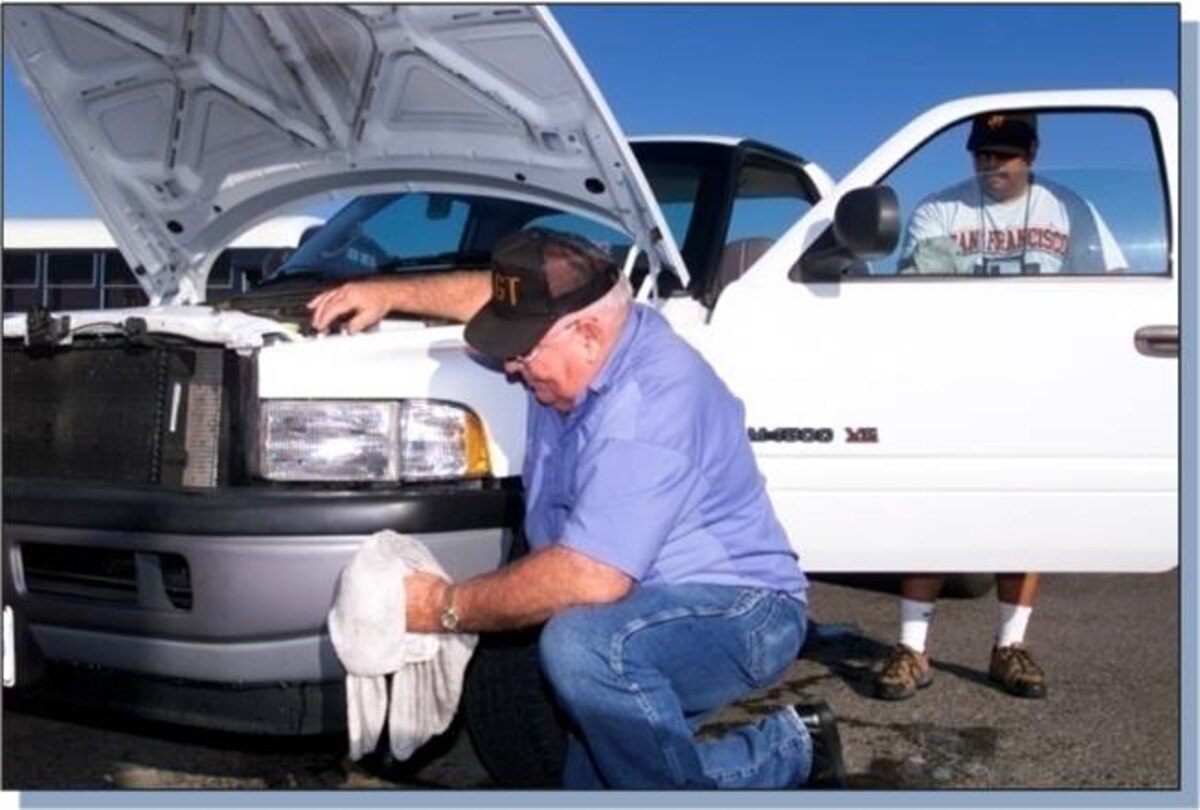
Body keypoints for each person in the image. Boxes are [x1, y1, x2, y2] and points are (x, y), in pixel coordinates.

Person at [308, 228, 845, 789]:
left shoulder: (651, 402)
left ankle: (777, 753)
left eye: (521, 352)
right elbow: (490, 300)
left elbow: (589, 578)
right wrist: (388, 294)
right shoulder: (581, 341)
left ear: (586, 334)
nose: (511, 368)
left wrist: (443, 608)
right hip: (637, 606)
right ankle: (793, 748)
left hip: (737, 610)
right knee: (603, 783)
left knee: (585, 647)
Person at [875, 112, 1127, 702]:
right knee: (934, 513)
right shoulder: (941, 210)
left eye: (1006, 156)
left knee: (1025, 517)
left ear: (1032, 153)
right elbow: (921, 295)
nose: (992, 167)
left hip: (1039, 389)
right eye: (983, 156)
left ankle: (1010, 644)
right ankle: (912, 648)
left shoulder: (1071, 210)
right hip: (954, 384)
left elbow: (1112, 288)